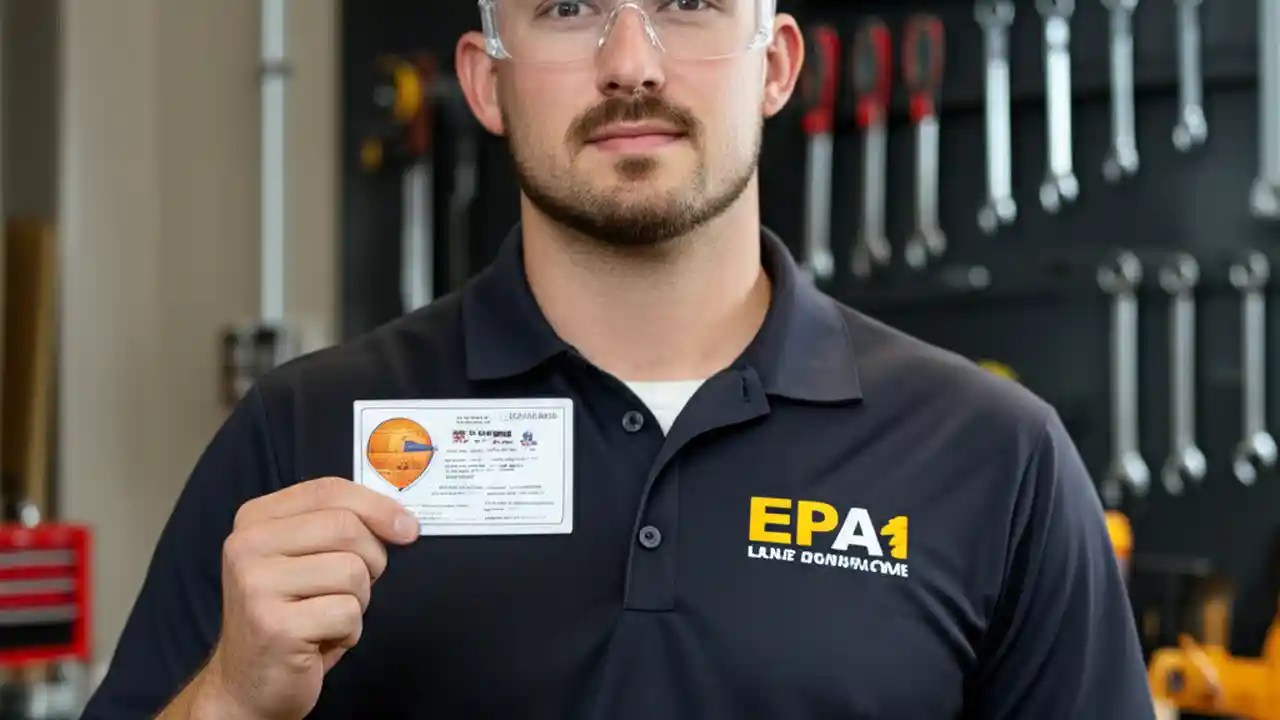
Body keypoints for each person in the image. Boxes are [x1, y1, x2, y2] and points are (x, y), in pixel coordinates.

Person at [82, 2, 1155, 718]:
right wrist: (225, 698)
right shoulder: (303, 433)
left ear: (775, 65)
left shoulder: (992, 458)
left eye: (687, 0)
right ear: (486, 81)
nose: (630, 62)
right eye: (565, 8)